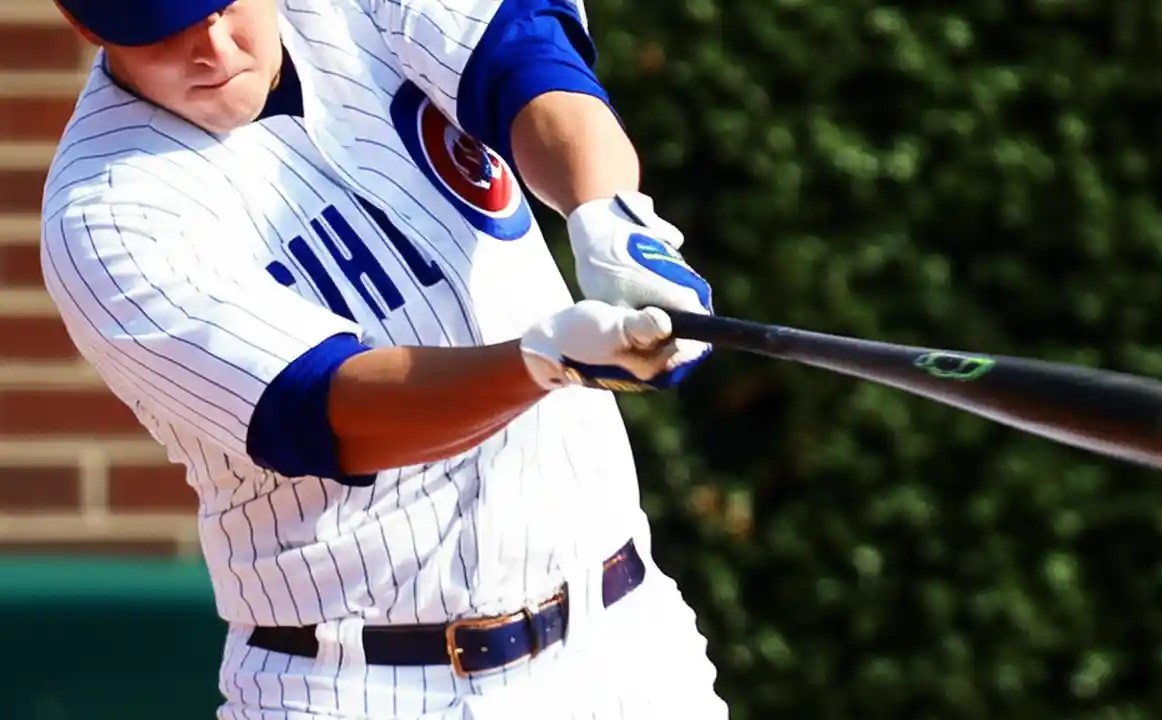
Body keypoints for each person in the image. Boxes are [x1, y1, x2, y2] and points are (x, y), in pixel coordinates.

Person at [41, 0, 728, 717]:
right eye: (163, 31)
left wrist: (609, 218)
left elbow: (523, 52)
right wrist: (539, 363)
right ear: (88, 27)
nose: (213, 47)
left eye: (223, 3)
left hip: (624, 643)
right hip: (367, 682)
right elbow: (333, 412)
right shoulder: (108, 211)